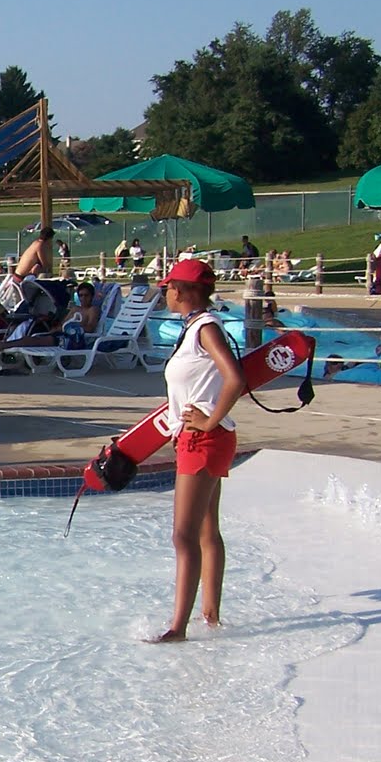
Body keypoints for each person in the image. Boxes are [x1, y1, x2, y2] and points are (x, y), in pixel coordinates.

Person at [149, 258, 245, 643]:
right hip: (204, 437)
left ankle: (178, 628)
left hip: (202, 439)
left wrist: (208, 420)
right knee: (207, 531)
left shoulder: (204, 328)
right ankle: (210, 615)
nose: (166, 292)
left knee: (183, 536)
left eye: (169, 286)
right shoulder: (196, 328)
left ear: (184, 291)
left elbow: (234, 378)